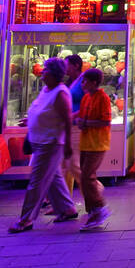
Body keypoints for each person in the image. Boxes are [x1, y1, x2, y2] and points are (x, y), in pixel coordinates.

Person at [9, 58, 79, 232]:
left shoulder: (61, 93)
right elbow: (42, 111)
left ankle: (26, 219)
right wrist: (30, 120)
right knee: (53, 177)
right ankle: (67, 209)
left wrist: (68, 144)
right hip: (39, 140)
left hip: (50, 143)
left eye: (45, 70)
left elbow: (67, 120)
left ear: (54, 73)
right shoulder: (46, 90)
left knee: (37, 182)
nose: (42, 72)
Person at [75, 68, 113, 231]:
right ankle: (93, 211)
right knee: (85, 177)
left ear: (94, 82)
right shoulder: (86, 98)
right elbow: (82, 117)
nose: (82, 84)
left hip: (98, 144)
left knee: (86, 177)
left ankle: (99, 208)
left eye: (85, 81)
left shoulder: (103, 98)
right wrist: (77, 120)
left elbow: (105, 122)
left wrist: (86, 123)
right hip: (85, 143)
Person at [62, 54, 85, 199]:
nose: (65, 68)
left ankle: (95, 193)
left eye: (67, 64)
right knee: (64, 167)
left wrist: (75, 115)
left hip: (77, 127)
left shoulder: (83, 81)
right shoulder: (72, 81)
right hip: (69, 126)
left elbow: (87, 102)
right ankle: (65, 201)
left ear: (76, 65)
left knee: (74, 165)